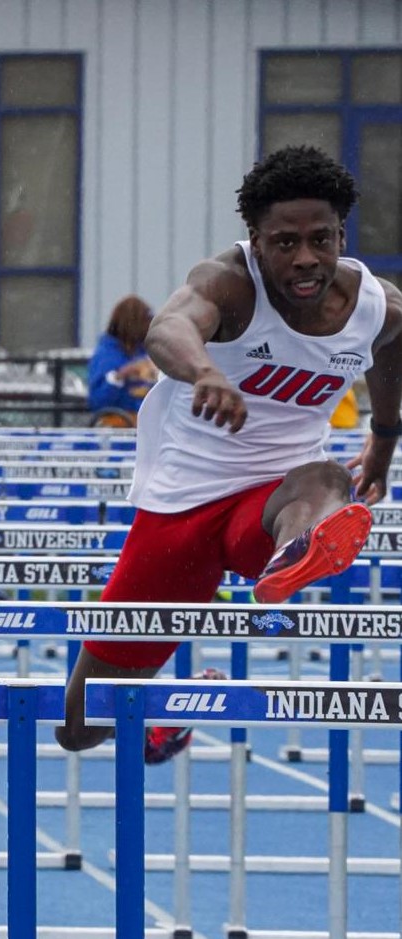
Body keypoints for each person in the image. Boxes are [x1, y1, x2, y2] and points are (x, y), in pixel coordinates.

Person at [57, 146, 402, 764]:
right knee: (81, 725)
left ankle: (293, 556)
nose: (305, 259)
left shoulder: (378, 308)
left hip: (273, 504)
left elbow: (391, 351)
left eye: (321, 240)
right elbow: (168, 328)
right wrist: (205, 372)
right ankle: (170, 718)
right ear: (256, 241)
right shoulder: (229, 283)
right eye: (285, 243)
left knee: (327, 477)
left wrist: (384, 436)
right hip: (180, 510)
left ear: (341, 236)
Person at [87, 294, 157, 423]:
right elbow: (98, 403)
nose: (149, 327)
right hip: (117, 426)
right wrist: (119, 376)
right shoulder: (106, 356)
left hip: (147, 424)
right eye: (146, 321)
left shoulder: (146, 352)